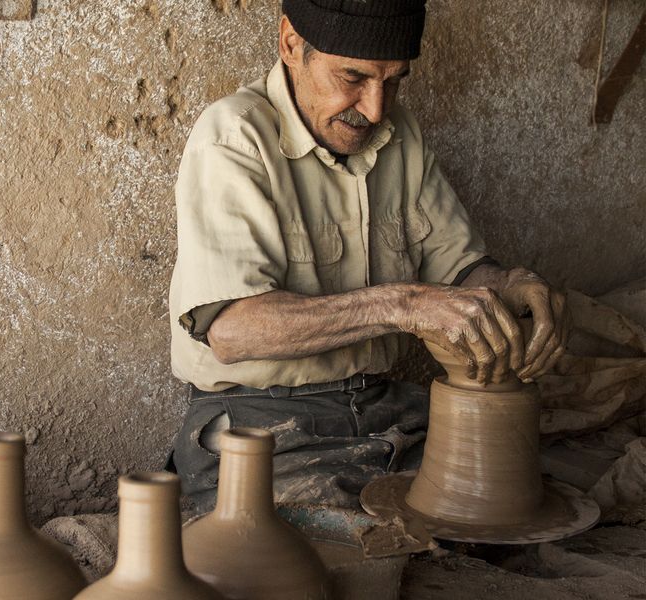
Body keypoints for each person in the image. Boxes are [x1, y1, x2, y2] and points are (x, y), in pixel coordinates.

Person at [167, 0, 569, 510]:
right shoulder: (235, 138)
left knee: (514, 488)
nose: (375, 108)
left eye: (394, 81)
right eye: (353, 77)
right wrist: (402, 304)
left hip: (385, 408)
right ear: (292, 44)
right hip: (263, 426)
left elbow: (461, 269)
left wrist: (513, 284)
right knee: (340, 544)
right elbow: (233, 330)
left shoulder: (399, 134)